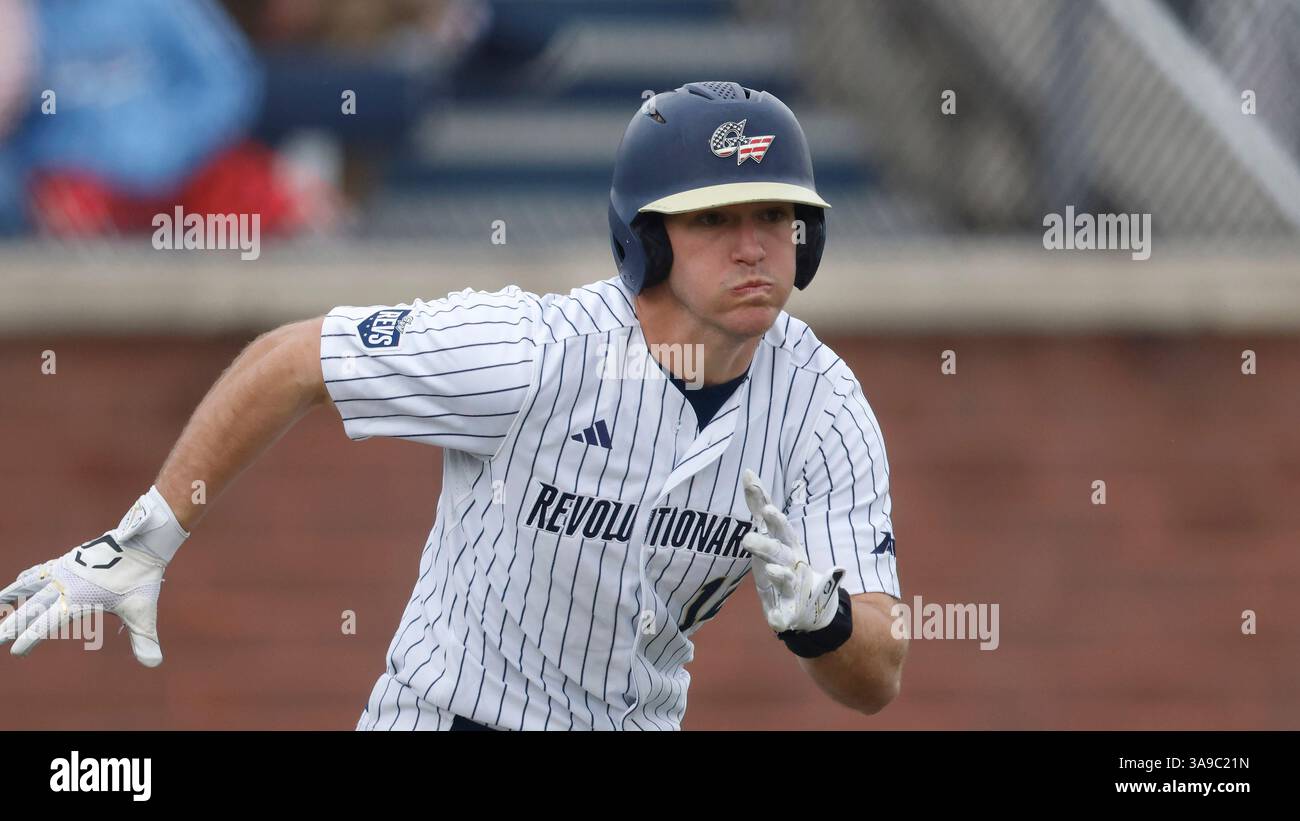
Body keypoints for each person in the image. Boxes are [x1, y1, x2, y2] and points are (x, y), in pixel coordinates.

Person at [0, 81, 907, 730]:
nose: (754, 246)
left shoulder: (824, 407)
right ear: (647, 239)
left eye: (777, 217)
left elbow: (876, 674)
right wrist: (149, 537)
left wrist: (821, 623)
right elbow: (292, 360)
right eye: (714, 218)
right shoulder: (534, 350)